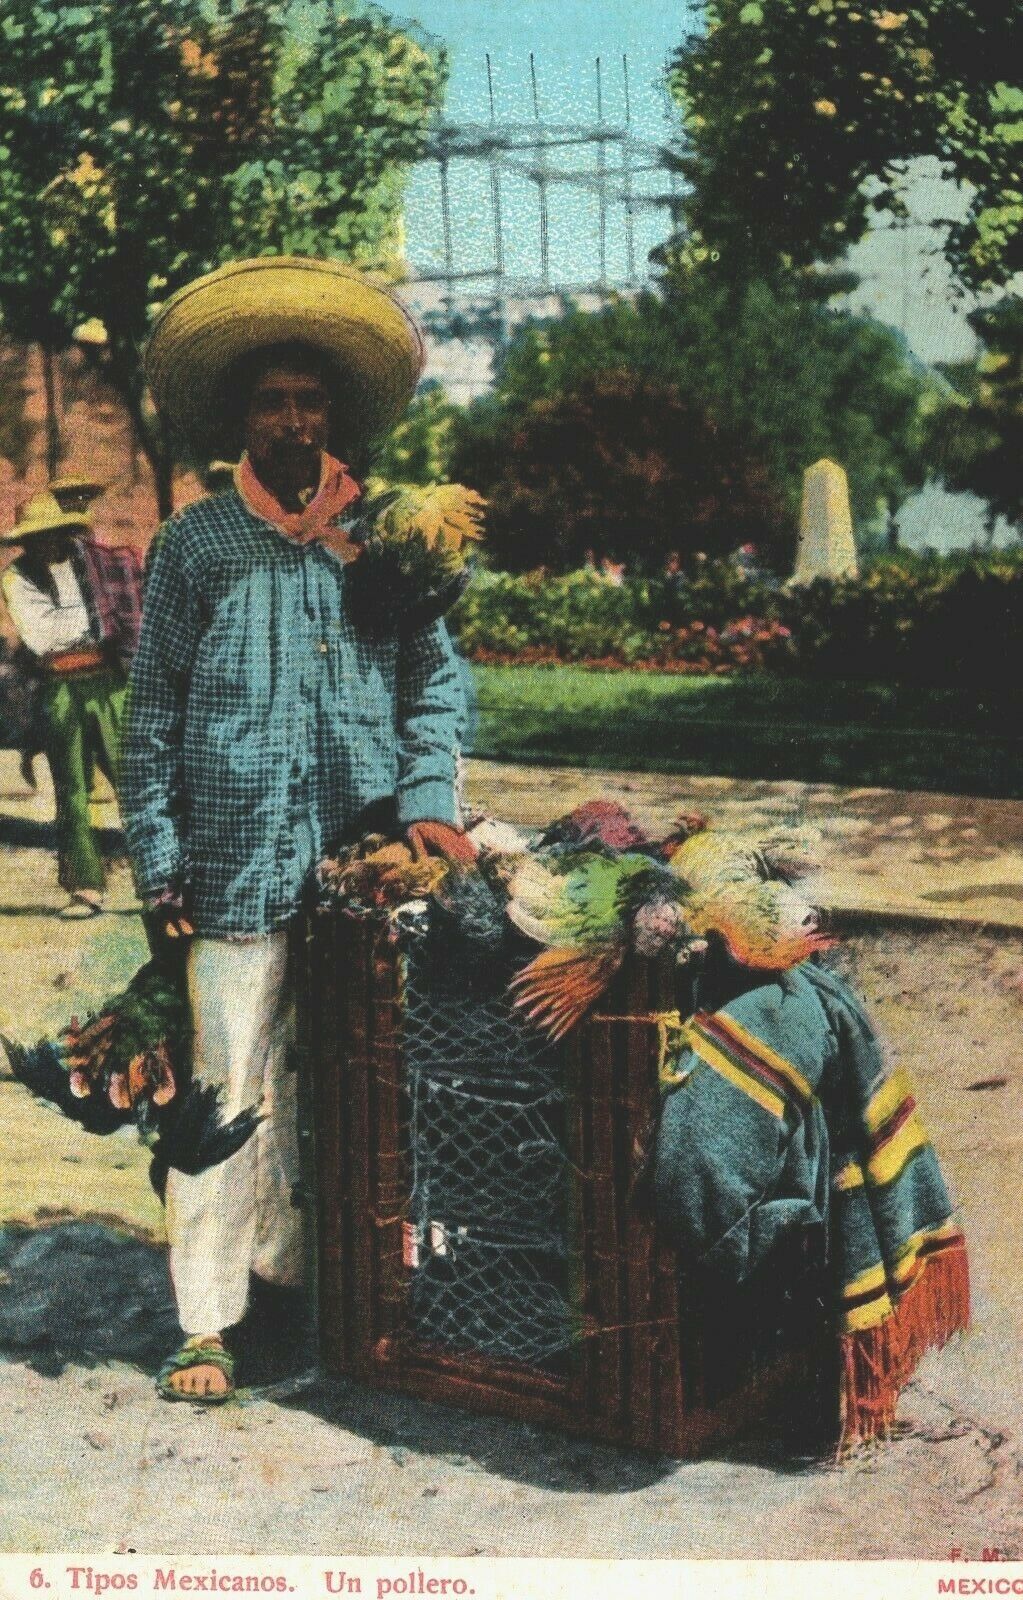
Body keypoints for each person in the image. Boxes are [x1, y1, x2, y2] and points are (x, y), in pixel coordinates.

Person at [120, 256, 474, 1405]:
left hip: (358, 863)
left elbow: (434, 682)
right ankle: (207, 1323)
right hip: (229, 865)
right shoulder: (198, 545)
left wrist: (427, 799)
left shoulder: (377, 539)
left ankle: (319, 1291)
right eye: (271, 401)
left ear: (333, 415)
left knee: (349, 1080)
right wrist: (160, 857)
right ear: (243, 417)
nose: (291, 420)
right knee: (227, 1085)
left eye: (308, 401)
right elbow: (152, 714)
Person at [1, 487, 141, 917]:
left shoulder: (100, 565)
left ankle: (161, 878)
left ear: (64, 532)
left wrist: (89, 626)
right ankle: (85, 887)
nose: (45, 544)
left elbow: (121, 619)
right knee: (72, 787)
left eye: (52, 533)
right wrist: (91, 623)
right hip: (60, 688)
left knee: (135, 780)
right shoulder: (16, 577)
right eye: (35, 537)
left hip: (110, 684)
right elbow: (42, 637)